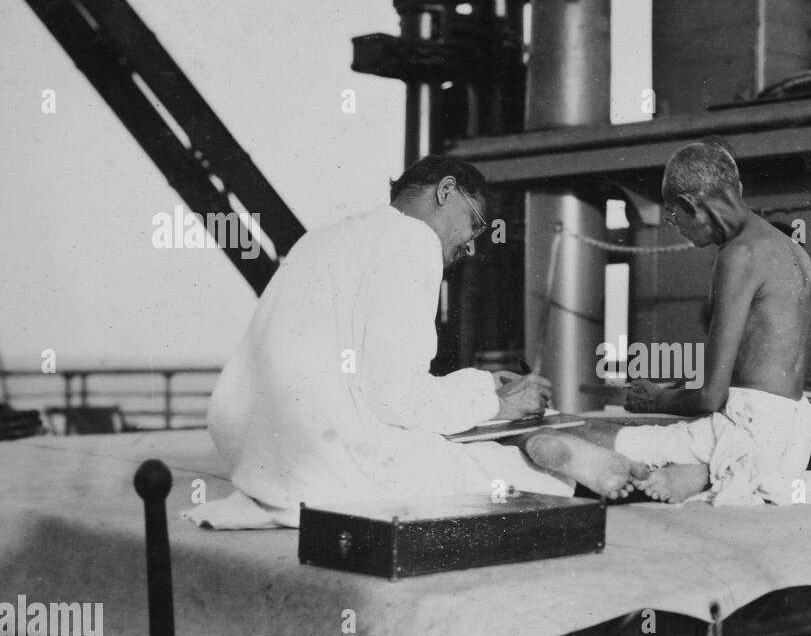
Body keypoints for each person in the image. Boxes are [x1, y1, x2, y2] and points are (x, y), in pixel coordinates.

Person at [197, 155, 644, 529]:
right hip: (320, 460)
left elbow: (370, 376)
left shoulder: (334, 234)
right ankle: (564, 458)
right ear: (446, 191)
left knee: (461, 427)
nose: (471, 245)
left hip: (253, 451)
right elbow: (396, 400)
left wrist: (482, 386)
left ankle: (535, 442)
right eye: (475, 223)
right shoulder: (413, 239)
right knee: (490, 468)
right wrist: (497, 406)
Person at [566, 138, 811, 505]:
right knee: (666, 433)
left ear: (691, 204)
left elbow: (710, 397)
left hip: (750, 433)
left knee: (578, 430)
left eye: (674, 218)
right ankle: (705, 469)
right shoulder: (795, 252)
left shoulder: (739, 255)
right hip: (794, 437)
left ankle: (703, 470)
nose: (680, 230)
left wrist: (655, 399)